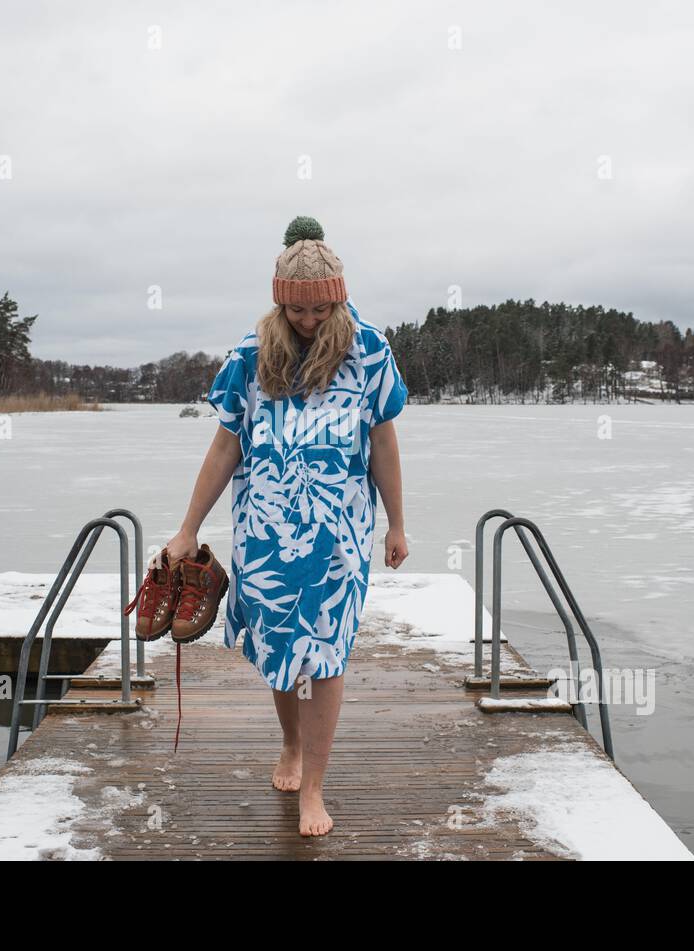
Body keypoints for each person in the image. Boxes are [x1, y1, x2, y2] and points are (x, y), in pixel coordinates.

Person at [164, 215, 408, 836]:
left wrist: (397, 525)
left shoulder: (369, 352)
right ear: (279, 302)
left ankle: (314, 789)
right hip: (265, 533)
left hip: (340, 535)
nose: (309, 320)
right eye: (298, 309)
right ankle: (292, 746)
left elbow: (383, 443)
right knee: (279, 651)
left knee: (326, 653)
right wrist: (188, 528)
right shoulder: (249, 356)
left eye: (322, 308)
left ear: (339, 298)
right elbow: (226, 446)